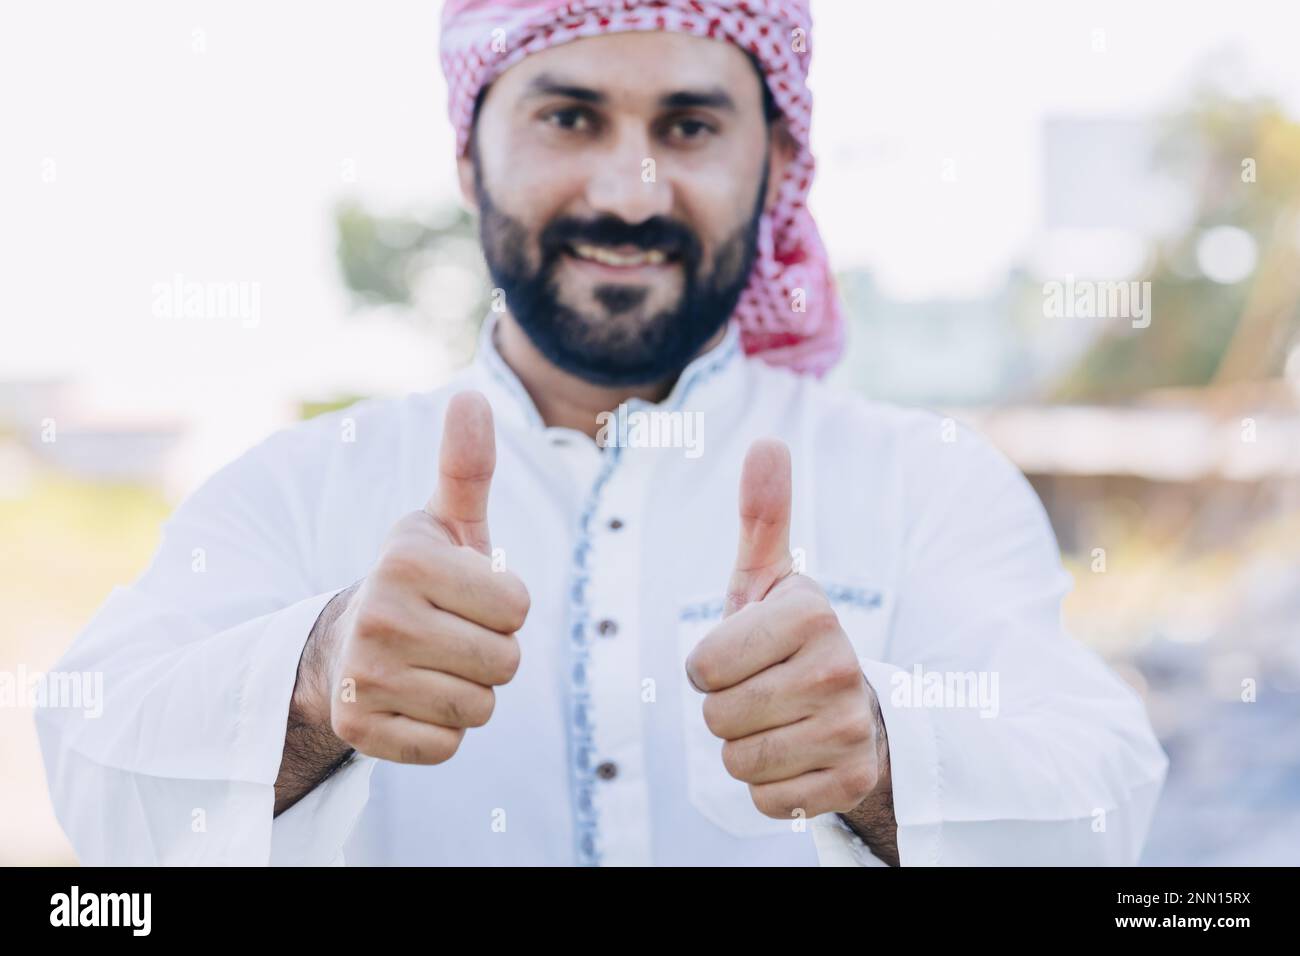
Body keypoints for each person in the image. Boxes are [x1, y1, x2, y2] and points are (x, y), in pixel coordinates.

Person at [37, 0, 1167, 866]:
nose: (629, 193)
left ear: (775, 164)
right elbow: (91, 771)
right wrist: (307, 678)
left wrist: (880, 756)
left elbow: (1106, 797)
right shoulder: (296, 486)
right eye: (569, 117)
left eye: (687, 125)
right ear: (467, 152)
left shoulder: (926, 485)